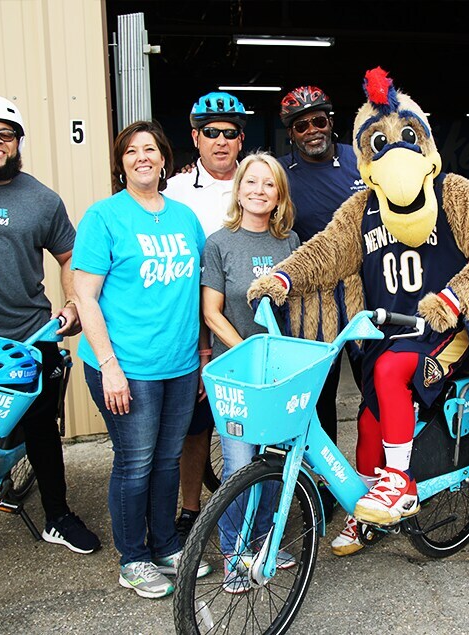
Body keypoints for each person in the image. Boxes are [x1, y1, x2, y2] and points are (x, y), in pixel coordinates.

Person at [249, 68, 469, 559]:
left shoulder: (453, 192)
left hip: (445, 332)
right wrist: (284, 278)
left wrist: (453, 300)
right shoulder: (360, 206)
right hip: (385, 333)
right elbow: (326, 250)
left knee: (392, 373)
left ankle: (399, 482)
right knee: (368, 426)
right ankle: (365, 507)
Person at [0, 95, 101, 575]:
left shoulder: (41, 199)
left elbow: (70, 256)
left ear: (18, 143)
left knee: (41, 430)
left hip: (29, 333)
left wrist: (73, 304)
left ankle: (57, 515)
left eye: (5, 135)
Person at [72, 120, 208, 599]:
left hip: (179, 363)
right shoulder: (104, 217)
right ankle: (133, 558)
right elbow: (85, 297)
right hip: (126, 366)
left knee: (168, 458)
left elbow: (196, 291)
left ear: (165, 158)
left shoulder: (184, 218)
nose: (142, 157)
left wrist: (201, 355)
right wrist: (109, 366)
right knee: (135, 462)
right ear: (121, 162)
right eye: (131, 151)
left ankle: (166, 544)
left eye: (150, 149)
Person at [201, 151, 301, 592]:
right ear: (238, 189)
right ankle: (234, 552)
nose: (259, 191)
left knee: (276, 461)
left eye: (268, 184)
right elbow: (212, 313)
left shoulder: (290, 242)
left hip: (280, 373)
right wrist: (250, 353)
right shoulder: (220, 243)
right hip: (241, 371)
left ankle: (264, 543)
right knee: (240, 465)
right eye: (251, 182)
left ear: (279, 195)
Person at [277, 85, 367, 534]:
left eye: (319, 120)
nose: (312, 130)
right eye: (301, 125)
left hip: (367, 297)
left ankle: (383, 477)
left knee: (377, 391)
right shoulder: (283, 177)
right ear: (291, 134)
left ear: (332, 121)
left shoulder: (361, 158)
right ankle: (325, 488)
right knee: (322, 398)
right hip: (314, 306)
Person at [164, 91, 247, 542]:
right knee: (196, 428)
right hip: (195, 327)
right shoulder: (174, 191)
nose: (220, 141)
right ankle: (191, 509)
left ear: (240, 140)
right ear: (195, 137)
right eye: (211, 132)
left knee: (249, 425)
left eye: (229, 133)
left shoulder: (255, 181)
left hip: (247, 324)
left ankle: (254, 508)